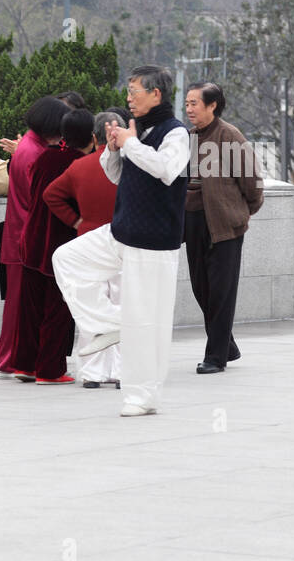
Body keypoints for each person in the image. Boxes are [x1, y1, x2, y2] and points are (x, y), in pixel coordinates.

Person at [52, 65, 190, 417]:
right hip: (122, 230)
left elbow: (164, 169)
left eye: (135, 92)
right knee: (66, 259)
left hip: (153, 241)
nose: (128, 98)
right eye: (128, 92)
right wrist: (115, 149)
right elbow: (117, 176)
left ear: (155, 94)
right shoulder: (136, 129)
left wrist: (131, 143)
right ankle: (107, 323)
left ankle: (142, 396)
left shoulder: (176, 133)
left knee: (148, 320)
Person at [182, 81, 264, 374]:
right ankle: (226, 345)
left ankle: (216, 356)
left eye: (194, 103)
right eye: (187, 103)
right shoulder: (189, 137)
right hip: (193, 223)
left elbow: (251, 181)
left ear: (212, 105)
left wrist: (242, 213)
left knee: (221, 291)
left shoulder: (229, 135)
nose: (189, 108)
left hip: (224, 225)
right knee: (201, 288)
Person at [44, 111, 125, 389]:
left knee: (91, 307)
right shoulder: (131, 168)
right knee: (120, 304)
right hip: (122, 242)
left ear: (93, 137)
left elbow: (51, 194)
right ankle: (121, 370)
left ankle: (92, 372)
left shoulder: (80, 167)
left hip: (88, 240)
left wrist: (75, 220)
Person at [11, 109, 92, 384]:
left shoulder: (45, 156)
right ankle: (49, 370)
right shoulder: (80, 163)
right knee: (57, 309)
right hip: (60, 241)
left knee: (29, 308)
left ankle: (24, 365)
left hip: (32, 238)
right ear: (90, 136)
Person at [0, 95, 69, 376]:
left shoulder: (27, 145)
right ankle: (12, 361)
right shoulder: (36, 154)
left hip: (19, 236)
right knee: (20, 309)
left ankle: (15, 360)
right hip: (26, 240)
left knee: (19, 306)